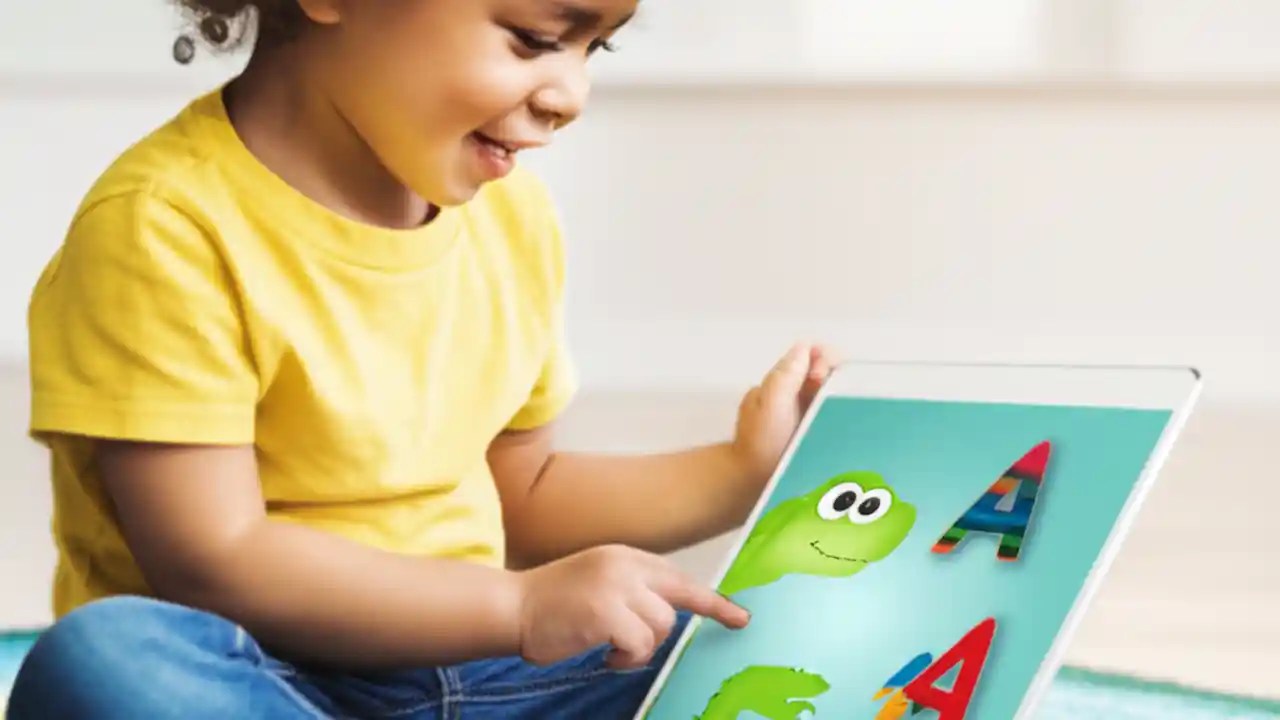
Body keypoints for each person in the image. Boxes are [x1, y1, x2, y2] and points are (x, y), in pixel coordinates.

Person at [8, 1, 837, 717]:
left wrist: (744, 471)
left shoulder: (509, 219)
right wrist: (519, 604)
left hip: (492, 675)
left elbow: (524, 493)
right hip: (265, 677)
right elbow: (214, 559)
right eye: (533, 38)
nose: (571, 96)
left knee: (760, 648)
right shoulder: (163, 229)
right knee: (105, 661)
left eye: (597, 47)